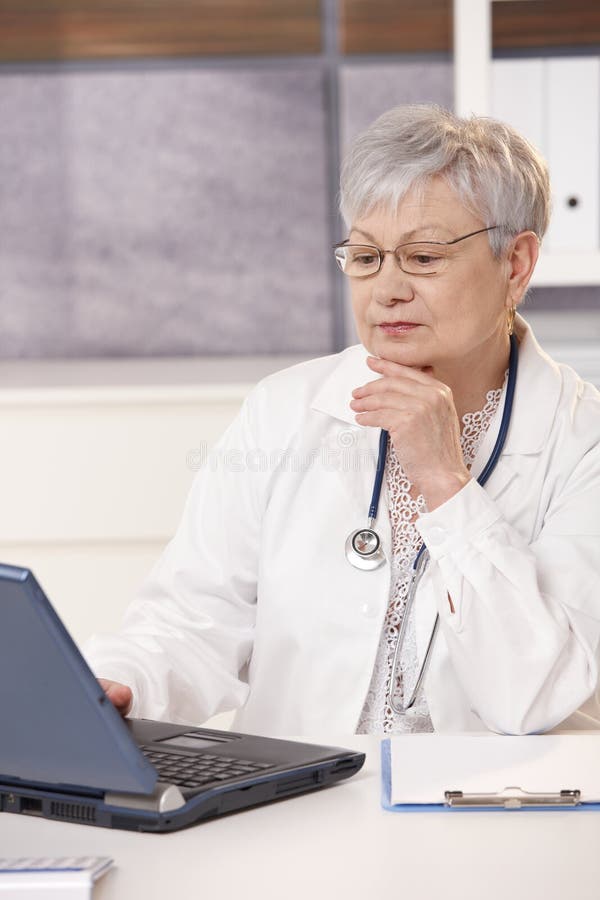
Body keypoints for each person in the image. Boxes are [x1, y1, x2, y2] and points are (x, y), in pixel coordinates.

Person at [85, 104, 600, 736]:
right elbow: (192, 620)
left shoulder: (582, 441)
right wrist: (123, 686)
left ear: (516, 265)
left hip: (486, 817)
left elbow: (533, 696)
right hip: (294, 807)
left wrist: (446, 482)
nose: (386, 289)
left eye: (423, 257)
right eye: (364, 257)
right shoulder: (283, 410)